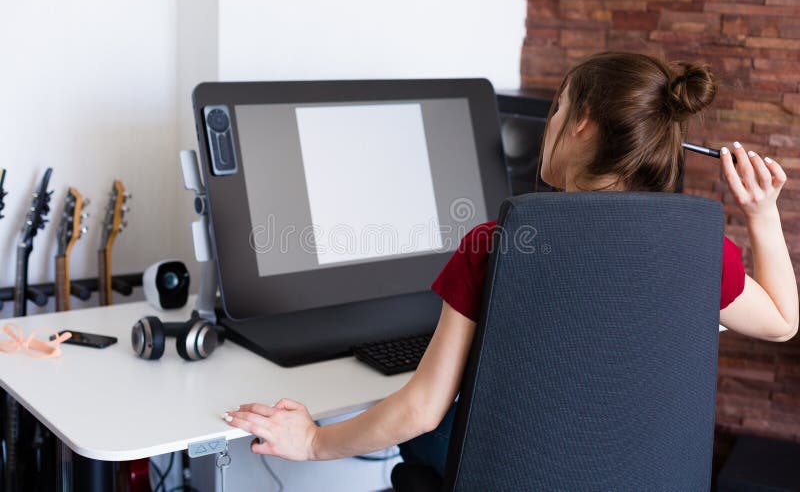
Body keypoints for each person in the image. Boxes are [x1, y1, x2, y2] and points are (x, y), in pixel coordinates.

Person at [221, 51, 799, 474]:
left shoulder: (497, 243)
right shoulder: (700, 251)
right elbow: (782, 321)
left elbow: (422, 410)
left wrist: (313, 442)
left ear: (582, 123)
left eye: (556, 109)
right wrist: (762, 214)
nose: (547, 124)